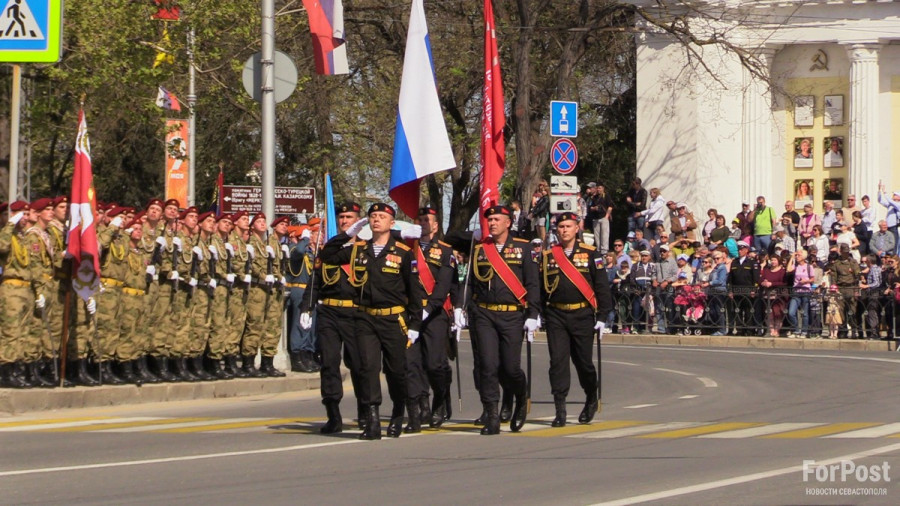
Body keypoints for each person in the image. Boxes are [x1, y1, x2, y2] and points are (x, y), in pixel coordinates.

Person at [318, 203, 424, 440]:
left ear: (392, 223)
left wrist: (415, 325)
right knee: (367, 369)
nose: (376, 220)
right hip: (365, 318)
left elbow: (414, 292)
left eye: (382, 216)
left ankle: (398, 413)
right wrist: (347, 234)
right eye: (372, 216)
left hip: (393, 318)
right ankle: (373, 419)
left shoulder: (403, 253)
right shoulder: (358, 250)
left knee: (396, 371)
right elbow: (326, 256)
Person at [455, 205, 540, 435]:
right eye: (489, 219)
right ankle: (491, 414)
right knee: (487, 365)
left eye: (496, 219)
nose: (492, 223)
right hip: (484, 314)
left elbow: (532, 284)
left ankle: (521, 397)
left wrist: (533, 314)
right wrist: (459, 306)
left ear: (508, 223)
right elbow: (469, 281)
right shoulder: (480, 249)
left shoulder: (524, 249)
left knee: (510, 368)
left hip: (512, 314)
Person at [540, 212, 612, 427]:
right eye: (560, 226)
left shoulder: (591, 254)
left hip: (582, 315)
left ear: (577, 228)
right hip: (556, 315)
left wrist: (602, 317)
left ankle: (591, 396)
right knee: (558, 363)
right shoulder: (548, 256)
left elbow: (601, 287)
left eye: (568, 226)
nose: (564, 230)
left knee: (583, 363)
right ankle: (559, 409)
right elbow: (541, 288)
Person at [300, 202, 366, 434]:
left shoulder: (365, 250)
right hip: (329, 312)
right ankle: (333, 414)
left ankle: (365, 411)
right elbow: (316, 280)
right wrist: (306, 307)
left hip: (356, 313)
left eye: (349, 217)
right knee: (328, 363)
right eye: (341, 217)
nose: (344, 221)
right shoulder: (328, 250)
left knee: (359, 365)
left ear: (358, 221)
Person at [406, 206, 457, 431]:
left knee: (434, 364)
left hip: (434, 313)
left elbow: (444, 285)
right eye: (420, 220)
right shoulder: (406, 249)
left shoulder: (446, 252)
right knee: (412, 363)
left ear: (436, 226)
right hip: (410, 313)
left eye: (427, 220)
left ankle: (440, 397)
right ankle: (422, 404)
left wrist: (429, 308)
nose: (423, 223)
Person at [786, 249, 814, 338]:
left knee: (804, 313)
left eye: (799, 255)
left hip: (805, 291)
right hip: (796, 291)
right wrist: (792, 257)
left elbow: (813, 279)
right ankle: (796, 330)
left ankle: (804, 331)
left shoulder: (809, 267)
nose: (797, 257)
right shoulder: (796, 266)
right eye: (797, 255)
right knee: (791, 312)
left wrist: (805, 281)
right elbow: (788, 269)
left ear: (804, 257)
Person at [759, 253, 787, 337]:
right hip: (767, 295)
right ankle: (771, 330)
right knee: (769, 313)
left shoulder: (782, 271)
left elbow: (784, 282)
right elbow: (760, 279)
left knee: (777, 313)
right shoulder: (767, 270)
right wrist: (763, 282)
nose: (773, 262)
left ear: (778, 261)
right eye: (772, 260)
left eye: (775, 260)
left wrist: (772, 284)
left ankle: (776, 330)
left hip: (778, 295)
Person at [589, 184, 613, 254]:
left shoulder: (606, 196)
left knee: (604, 235)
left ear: (603, 189)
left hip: (603, 217)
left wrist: (607, 216)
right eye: (598, 188)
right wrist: (594, 208)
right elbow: (590, 207)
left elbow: (610, 206)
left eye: (600, 188)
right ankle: (598, 250)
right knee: (597, 236)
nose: (599, 190)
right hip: (596, 218)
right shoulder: (594, 197)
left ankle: (604, 251)